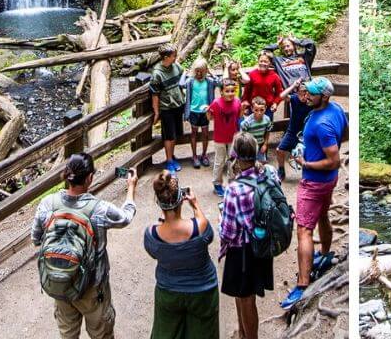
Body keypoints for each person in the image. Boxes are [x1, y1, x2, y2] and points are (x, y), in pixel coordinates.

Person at [32, 152, 138, 339]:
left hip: (60, 283)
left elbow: (36, 239)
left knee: (68, 334)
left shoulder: (47, 204)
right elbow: (126, 217)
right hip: (93, 286)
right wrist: (131, 187)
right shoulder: (100, 209)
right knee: (101, 333)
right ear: (89, 178)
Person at [281, 77, 347, 309]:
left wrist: (306, 163)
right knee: (323, 214)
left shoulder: (322, 124)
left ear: (324, 96)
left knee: (304, 230)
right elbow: (344, 135)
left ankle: (302, 284)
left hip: (315, 182)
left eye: (310, 94)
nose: (306, 96)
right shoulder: (337, 109)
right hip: (327, 182)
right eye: (306, 92)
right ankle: (326, 254)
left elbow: (334, 161)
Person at [144, 171, 219, 339]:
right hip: (203, 290)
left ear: (158, 201)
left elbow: (153, 253)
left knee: (166, 333)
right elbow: (209, 236)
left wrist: (163, 219)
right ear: (181, 199)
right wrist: (195, 205)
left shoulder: (151, 234)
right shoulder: (199, 227)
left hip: (168, 290)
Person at [218, 133, 277, 339]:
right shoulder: (269, 173)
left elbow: (227, 232)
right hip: (262, 245)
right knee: (242, 294)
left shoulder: (234, 189)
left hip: (242, 250)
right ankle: (242, 333)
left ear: (236, 155)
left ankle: (249, 336)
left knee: (246, 298)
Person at [150, 43, 186, 173]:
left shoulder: (175, 66)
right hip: (167, 108)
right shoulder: (157, 74)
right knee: (169, 136)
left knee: (175, 134)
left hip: (178, 105)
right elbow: (155, 94)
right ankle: (169, 160)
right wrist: (156, 112)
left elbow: (183, 73)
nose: (176, 57)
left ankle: (172, 156)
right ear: (165, 57)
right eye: (173, 56)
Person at [180, 57, 219, 169]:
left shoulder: (209, 81)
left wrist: (212, 73)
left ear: (205, 71)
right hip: (193, 111)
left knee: (205, 134)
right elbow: (181, 84)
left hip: (205, 112)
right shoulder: (190, 81)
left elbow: (219, 83)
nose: (199, 73)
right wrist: (184, 73)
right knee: (194, 134)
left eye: (202, 71)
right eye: (197, 71)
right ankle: (194, 156)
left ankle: (204, 155)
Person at [207, 78, 242, 197]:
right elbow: (210, 118)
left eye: (232, 91)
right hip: (220, 138)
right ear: (221, 92)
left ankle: (232, 183)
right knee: (220, 161)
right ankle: (217, 184)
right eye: (227, 91)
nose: (230, 93)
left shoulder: (237, 101)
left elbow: (238, 116)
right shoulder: (216, 103)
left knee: (233, 161)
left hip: (233, 136)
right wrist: (207, 112)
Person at [275, 78, 311, 182]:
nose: (304, 93)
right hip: (292, 131)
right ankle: (281, 170)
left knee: (305, 156)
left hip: (305, 133)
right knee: (279, 150)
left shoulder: (311, 101)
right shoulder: (294, 98)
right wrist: (293, 86)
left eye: (306, 91)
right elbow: (281, 96)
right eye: (302, 90)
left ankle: (308, 174)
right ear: (297, 90)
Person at [241, 52, 282, 117]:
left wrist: (275, 103)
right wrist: (245, 107)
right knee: (253, 126)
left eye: (265, 61)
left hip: (268, 108)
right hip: (253, 107)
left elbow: (279, 92)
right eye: (261, 61)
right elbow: (247, 91)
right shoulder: (252, 74)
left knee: (267, 126)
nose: (263, 63)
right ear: (258, 61)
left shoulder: (274, 76)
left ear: (270, 63)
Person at [241, 96, 272, 162]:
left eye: (262, 110)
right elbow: (242, 135)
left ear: (265, 108)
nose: (259, 113)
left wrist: (265, 144)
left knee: (261, 164)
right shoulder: (247, 122)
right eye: (256, 110)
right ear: (252, 109)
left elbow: (268, 131)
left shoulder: (267, 119)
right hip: (250, 147)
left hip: (261, 145)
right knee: (250, 165)